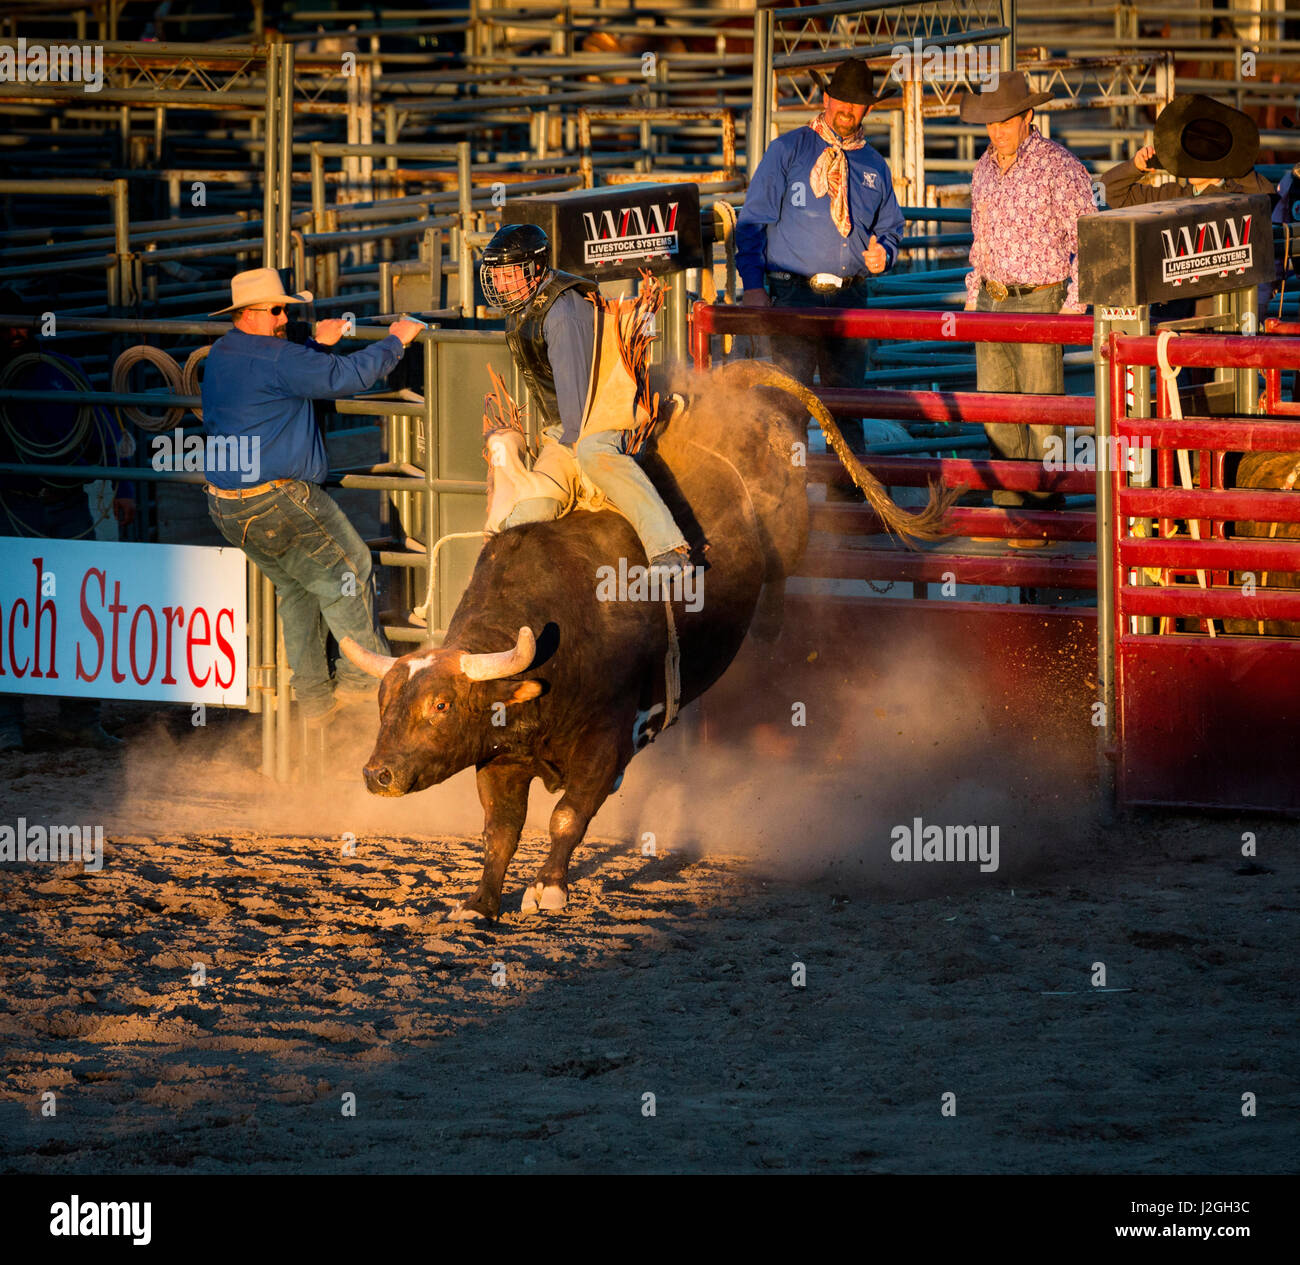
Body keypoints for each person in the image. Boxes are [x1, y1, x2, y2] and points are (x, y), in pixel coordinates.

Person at [201, 267, 423, 725]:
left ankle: (315, 704)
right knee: (350, 569)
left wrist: (314, 347)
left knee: (297, 588)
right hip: (278, 498)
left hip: (227, 504)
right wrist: (396, 340)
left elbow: (277, 376)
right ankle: (364, 691)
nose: (286, 318)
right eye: (278, 310)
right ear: (248, 315)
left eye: (287, 309)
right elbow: (347, 377)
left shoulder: (225, 351)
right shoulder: (280, 357)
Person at [478, 222, 691, 577]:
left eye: (508, 273)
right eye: (497, 275)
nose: (500, 284)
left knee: (595, 453)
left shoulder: (562, 314)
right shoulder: (528, 305)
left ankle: (669, 549)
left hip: (605, 414)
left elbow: (578, 404)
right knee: (532, 507)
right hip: (565, 429)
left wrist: (567, 454)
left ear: (533, 270)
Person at [735, 59, 903, 466]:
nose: (848, 108)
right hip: (793, 293)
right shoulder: (788, 150)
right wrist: (754, 286)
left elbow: (892, 228)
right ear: (826, 98)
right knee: (788, 400)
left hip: (850, 298)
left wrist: (885, 253)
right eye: (842, 99)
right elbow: (753, 221)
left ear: (868, 109)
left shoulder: (875, 167)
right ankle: (788, 496)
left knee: (847, 404)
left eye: (858, 103)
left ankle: (846, 499)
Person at [960, 72, 1097, 542]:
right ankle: (1009, 504)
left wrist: (1074, 301)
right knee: (997, 406)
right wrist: (974, 288)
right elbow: (980, 237)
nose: (997, 131)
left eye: (1005, 121)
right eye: (991, 124)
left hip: (1041, 297)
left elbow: (1089, 236)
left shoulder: (1059, 167)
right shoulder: (984, 169)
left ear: (1027, 118)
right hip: (992, 297)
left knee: (1040, 409)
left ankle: (1043, 508)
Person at [0, 291, 136, 751]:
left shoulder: (62, 368)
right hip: (14, 503)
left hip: (64, 500)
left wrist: (124, 485)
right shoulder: (15, 373)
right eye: (9, 325)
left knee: (79, 608)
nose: (19, 333)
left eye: (24, 323)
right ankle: (7, 721)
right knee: (12, 611)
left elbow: (103, 423)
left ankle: (80, 716)